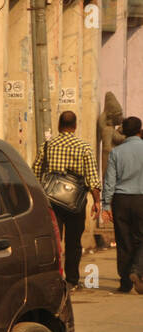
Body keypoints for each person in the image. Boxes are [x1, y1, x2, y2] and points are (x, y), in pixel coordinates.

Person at [31, 110, 101, 290]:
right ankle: (71, 280)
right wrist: (97, 202)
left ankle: (54, 277)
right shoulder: (84, 147)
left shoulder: (47, 145)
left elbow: (36, 172)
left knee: (53, 241)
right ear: (75, 126)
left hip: (52, 201)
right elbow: (92, 178)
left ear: (59, 125)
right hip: (75, 203)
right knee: (73, 242)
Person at [103, 115, 143, 294]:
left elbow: (109, 180)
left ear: (124, 132)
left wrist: (106, 205)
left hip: (121, 200)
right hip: (141, 199)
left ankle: (125, 282)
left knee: (123, 240)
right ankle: (137, 270)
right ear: (140, 130)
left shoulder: (116, 152)